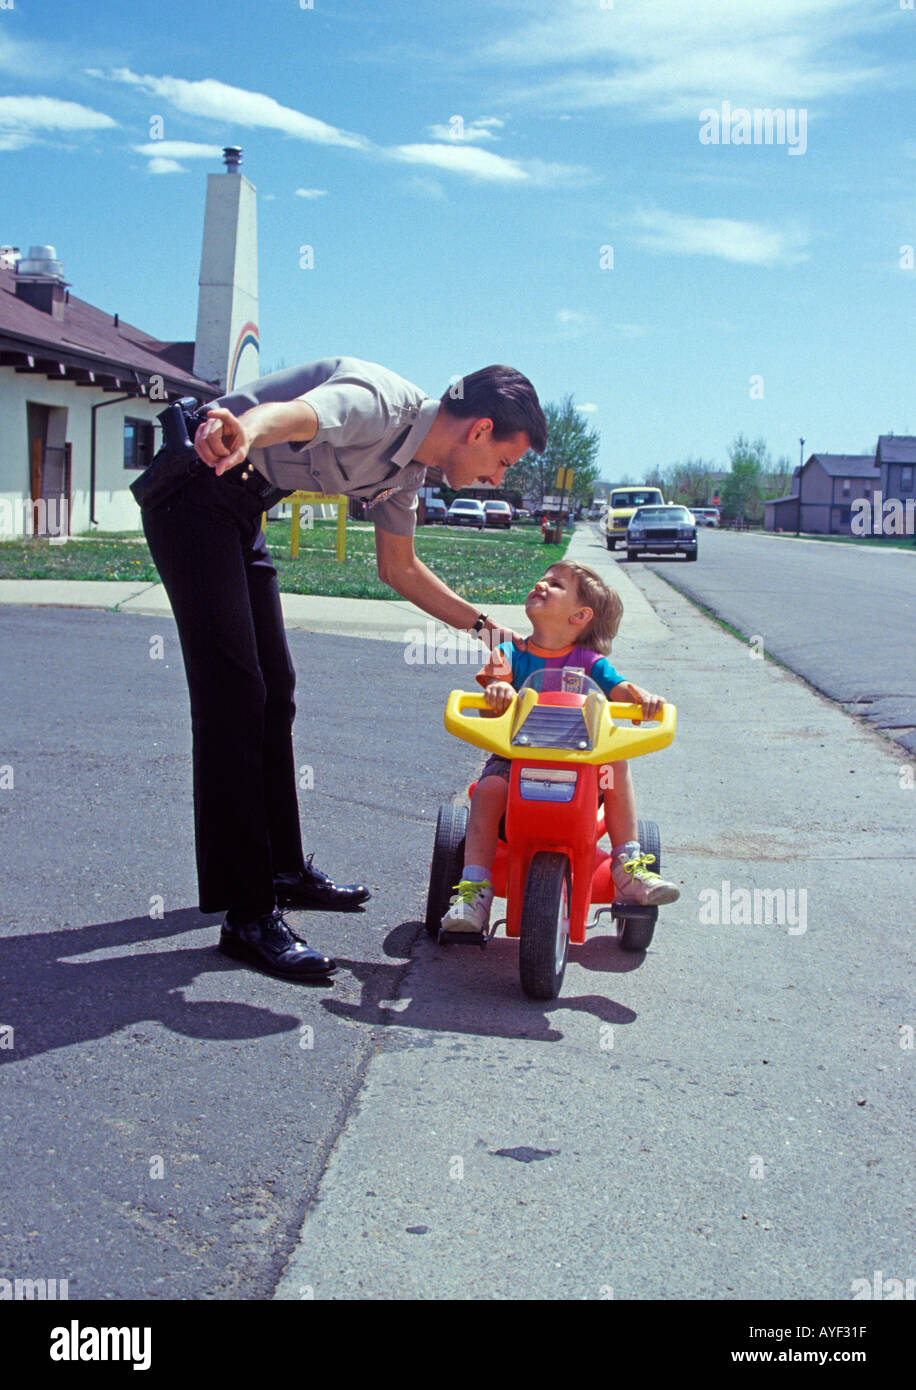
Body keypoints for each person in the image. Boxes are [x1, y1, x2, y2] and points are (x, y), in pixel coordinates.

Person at [139, 358, 547, 981]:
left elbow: (399, 570)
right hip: (195, 494)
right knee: (234, 697)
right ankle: (248, 916)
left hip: (241, 508)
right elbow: (301, 416)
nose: (498, 478)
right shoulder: (381, 404)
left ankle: (282, 870)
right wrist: (244, 429)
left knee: (276, 691)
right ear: (480, 429)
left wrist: (485, 628)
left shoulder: (409, 473)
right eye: (505, 462)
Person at [440, 559, 680, 934]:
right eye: (542, 579)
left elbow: (621, 690)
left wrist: (644, 700)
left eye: (555, 584)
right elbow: (495, 682)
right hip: (515, 757)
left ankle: (627, 866)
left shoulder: (590, 662)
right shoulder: (511, 652)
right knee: (487, 790)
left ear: (580, 615)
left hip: (580, 764)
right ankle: (474, 891)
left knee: (616, 764)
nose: (541, 584)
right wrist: (499, 690)